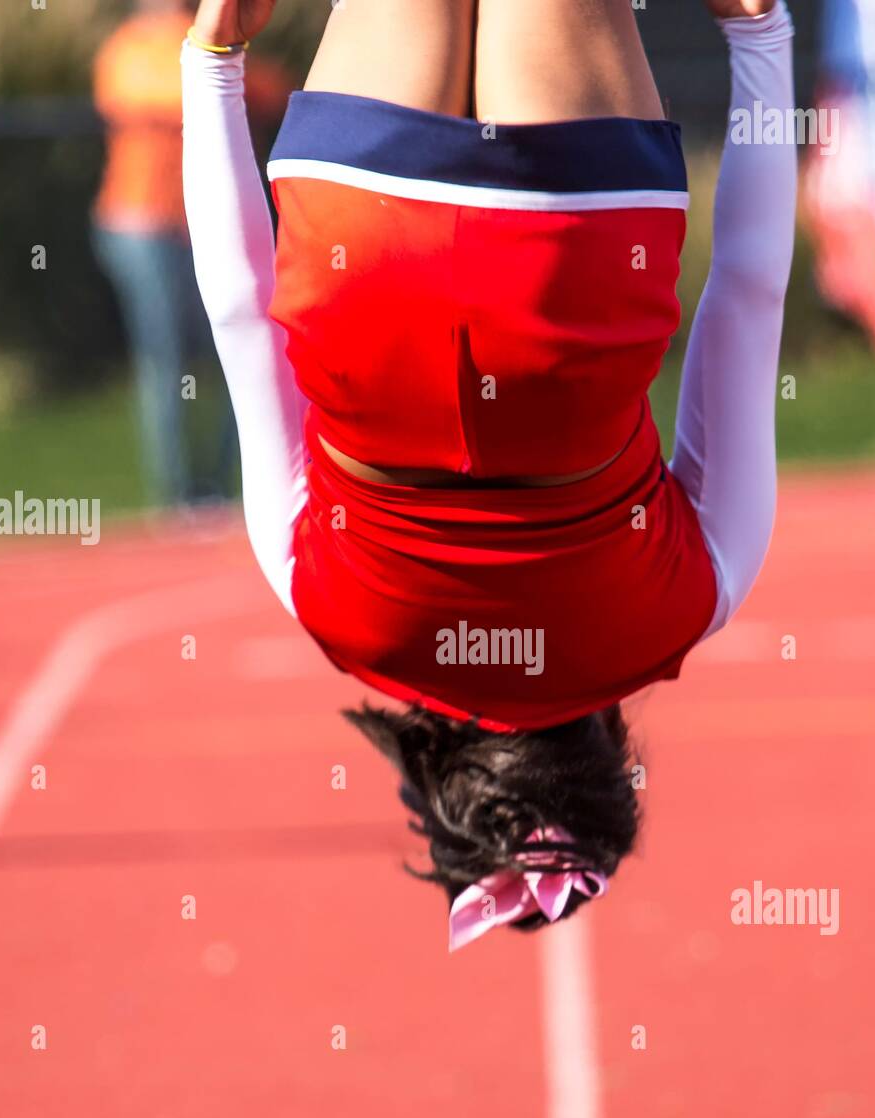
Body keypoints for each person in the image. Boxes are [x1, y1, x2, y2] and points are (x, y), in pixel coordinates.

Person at [182, 0, 796, 948]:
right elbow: (237, 312)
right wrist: (214, 63)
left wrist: (759, 38)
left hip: (575, 235)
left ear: (607, 763)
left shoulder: (690, 602)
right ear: (434, 783)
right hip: (366, 224)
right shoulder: (325, 607)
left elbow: (749, 295)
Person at [92, 0, 289, 504]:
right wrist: (208, 58)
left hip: (201, 227)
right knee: (165, 357)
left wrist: (210, 55)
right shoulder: (128, 46)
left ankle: (219, 490)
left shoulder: (201, 32)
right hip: (140, 227)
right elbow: (171, 94)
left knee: (241, 351)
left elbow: (270, 88)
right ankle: (177, 495)